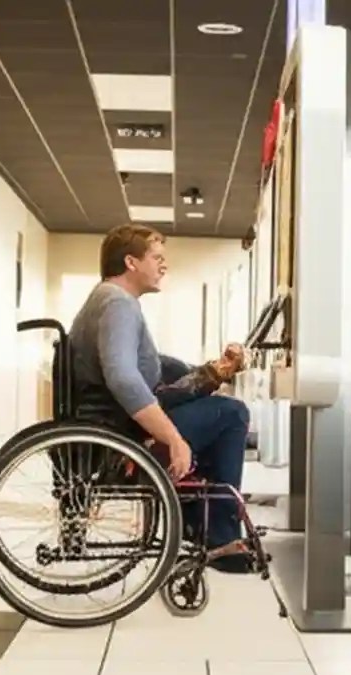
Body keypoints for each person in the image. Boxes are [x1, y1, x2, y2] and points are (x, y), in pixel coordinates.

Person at [68, 223, 252, 572]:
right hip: (121, 434)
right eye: (157, 257)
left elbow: (153, 368)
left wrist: (215, 369)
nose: (163, 265)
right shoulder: (117, 303)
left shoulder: (108, 299)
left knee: (219, 410)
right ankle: (219, 537)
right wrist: (172, 438)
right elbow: (123, 378)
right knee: (231, 413)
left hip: (111, 421)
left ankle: (202, 526)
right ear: (131, 262)